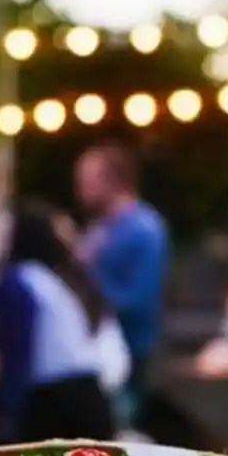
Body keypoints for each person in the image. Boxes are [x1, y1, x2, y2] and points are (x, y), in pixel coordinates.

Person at [0, 207, 126, 444]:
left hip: (54, 401)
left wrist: (1, 416)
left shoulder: (18, 280)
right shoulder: (55, 278)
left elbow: (17, 356)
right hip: (91, 396)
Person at [75, 142, 168, 428]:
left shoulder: (144, 228)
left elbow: (140, 298)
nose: (80, 190)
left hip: (131, 353)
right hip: (96, 356)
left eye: (87, 181)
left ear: (113, 181)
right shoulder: (99, 229)